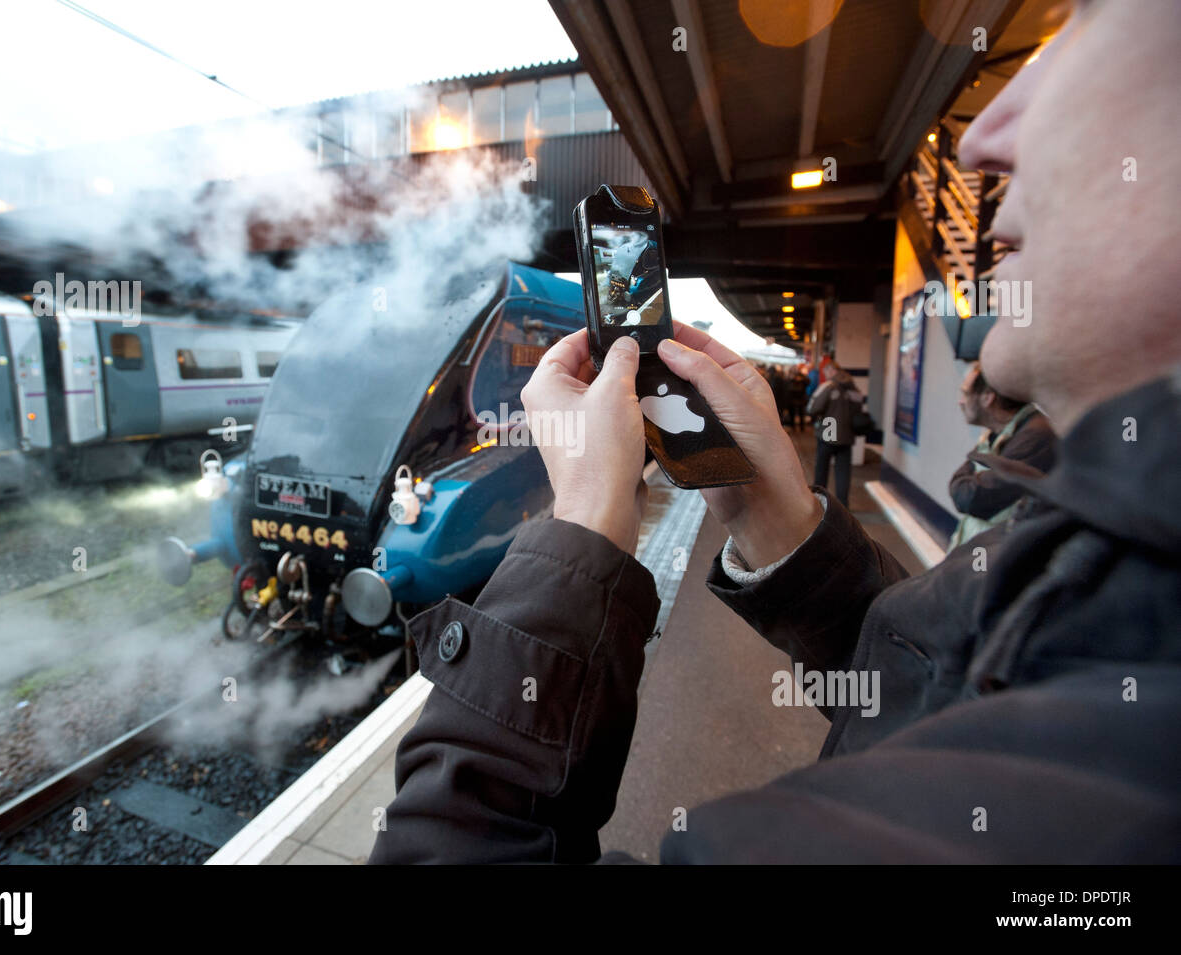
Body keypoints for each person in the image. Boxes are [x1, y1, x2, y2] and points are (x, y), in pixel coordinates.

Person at [370, 0, 1181, 864]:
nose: (987, 135)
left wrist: (580, 528)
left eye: (1084, 19)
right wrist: (770, 515)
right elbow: (947, 689)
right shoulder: (1114, 578)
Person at [947, 362, 1056, 549]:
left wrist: (965, 481)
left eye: (965, 393)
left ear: (988, 397)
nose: (961, 402)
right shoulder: (997, 433)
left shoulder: (1037, 437)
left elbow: (971, 497)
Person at [805, 364, 863, 506]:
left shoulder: (828, 386)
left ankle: (819, 502)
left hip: (828, 433)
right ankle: (843, 505)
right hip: (846, 436)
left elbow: (812, 408)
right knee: (843, 473)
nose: (826, 374)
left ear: (832, 370)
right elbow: (858, 409)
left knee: (821, 469)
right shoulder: (853, 389)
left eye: (826, 371)